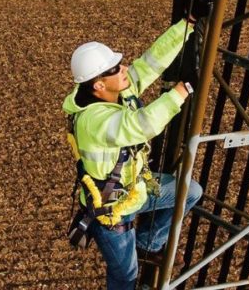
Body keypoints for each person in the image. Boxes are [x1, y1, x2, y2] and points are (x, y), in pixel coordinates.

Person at [62, 18, 203, 290]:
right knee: (126, 277)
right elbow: (140, 126)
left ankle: (148, 244)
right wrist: (181, 91)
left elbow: (151, 63)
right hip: (111, 211)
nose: (124, 68)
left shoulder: (114, 92)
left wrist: (185, 27)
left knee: (190, 192)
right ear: (99, 85)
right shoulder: (94, 121)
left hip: (136, 190)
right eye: (115, 68)